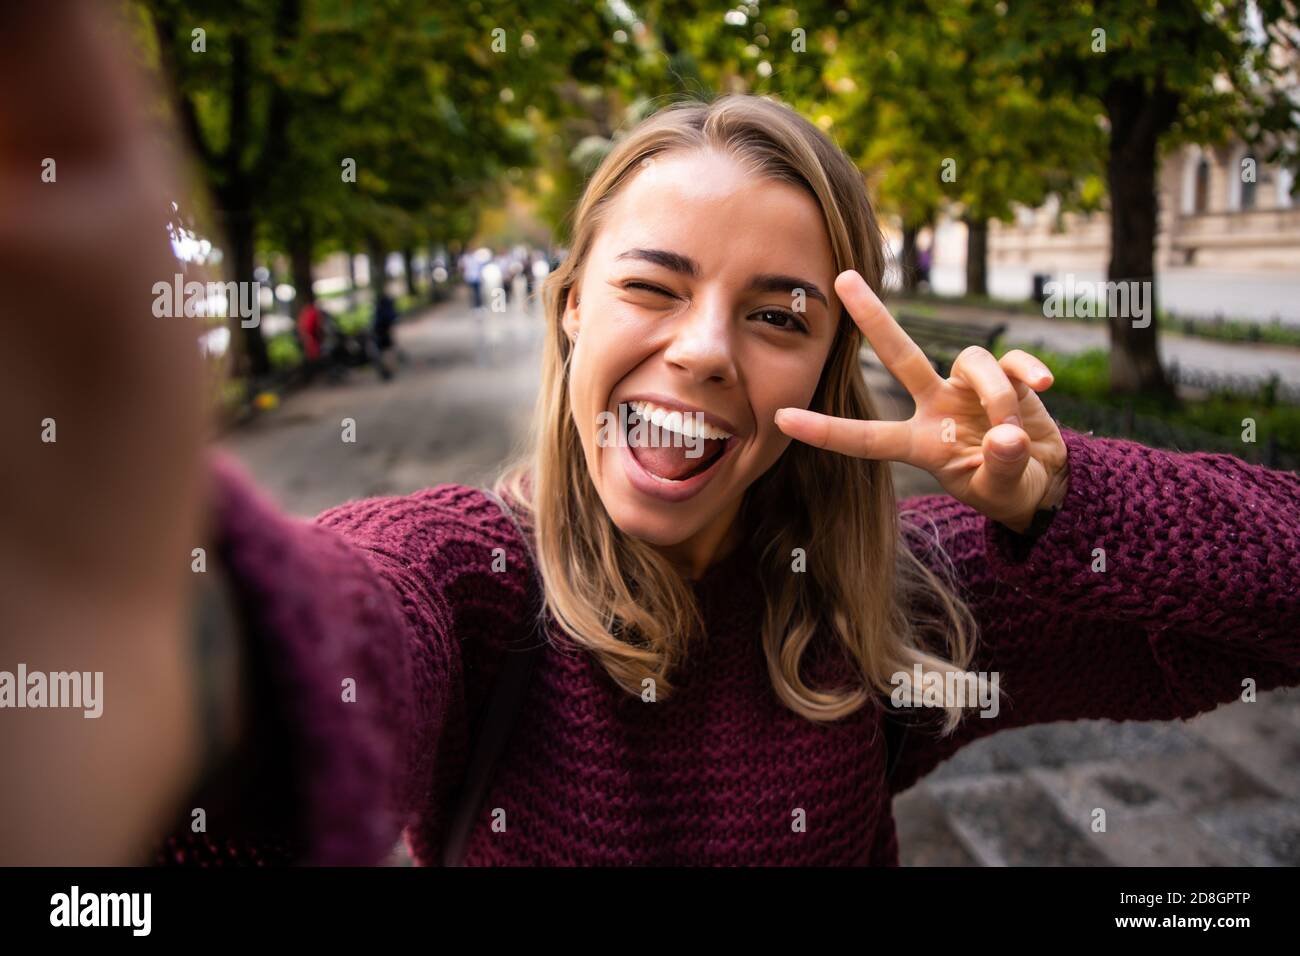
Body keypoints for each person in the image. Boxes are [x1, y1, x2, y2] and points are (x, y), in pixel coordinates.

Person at [4, 5, 1299, 867]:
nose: (705, 349)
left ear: (830, 367)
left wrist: (1062, 507)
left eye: (778, 313)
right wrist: (133, 624)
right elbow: (319, 646)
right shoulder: (465, 581)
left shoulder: (889, 598)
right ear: (570, 310)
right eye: (653, 284)